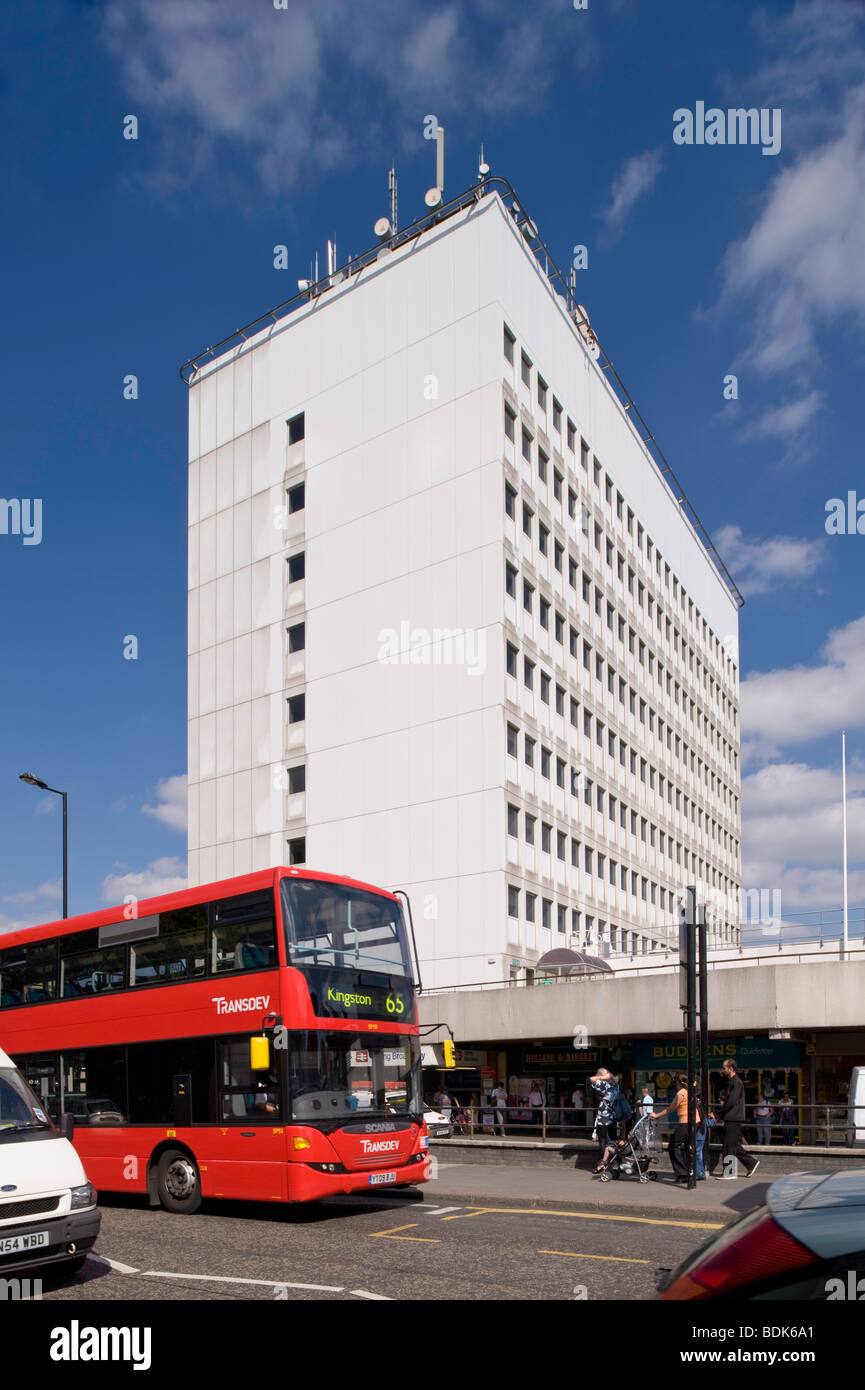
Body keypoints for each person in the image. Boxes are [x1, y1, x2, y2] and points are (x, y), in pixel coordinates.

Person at [712, 1059, 759, 1179]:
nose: (722, 1070)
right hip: (731, 1117)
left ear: (731, 1068)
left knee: (729, 1146)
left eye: (724, 1068)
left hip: (733, 1118)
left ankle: (730, 1172)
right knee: (732, 1144)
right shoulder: (732, 1082)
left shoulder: (736, 1082)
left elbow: (731, 1102)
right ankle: (751, 1163)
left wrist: (717, 1114)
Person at [653, 1072, 692, 1185]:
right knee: (687, 1147)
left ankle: (682, 1174)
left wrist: (657, 1115)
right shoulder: (690, 1091)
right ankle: (688, 1173)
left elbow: (671, 1108)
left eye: (676, 1081)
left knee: (673, 1145)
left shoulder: (681, 1093)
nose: (675, 1083)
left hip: (685, 1122)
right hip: (693, 1123)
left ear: (680, 1082)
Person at [589, 1068, 619, 1173]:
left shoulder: (604, 1085)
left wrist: (603, 1077)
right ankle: (613, 1163)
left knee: (603, 1142)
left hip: (603, 1118)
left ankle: (601, 1165)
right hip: (613, 1117)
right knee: (613, 1141)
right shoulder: (615, 1086)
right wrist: (610, 1077)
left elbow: (591, 1079)